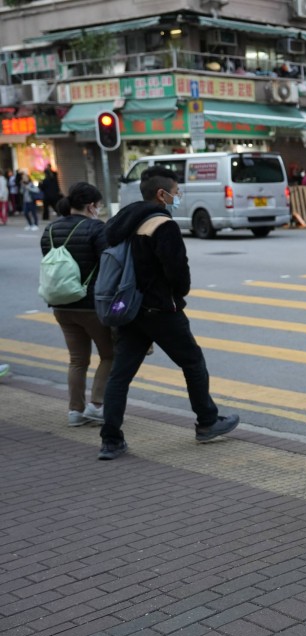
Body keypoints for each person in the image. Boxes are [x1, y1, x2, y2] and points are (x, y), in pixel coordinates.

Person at [98, 166, 239, 461]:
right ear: (161, 195)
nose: (178, 197)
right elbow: (177, 271)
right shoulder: (163, 225)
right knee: (193, 362)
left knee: (120, 375)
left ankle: (110, 440)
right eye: (176, 192)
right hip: (162, 309)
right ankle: (207, 421)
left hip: (130, 309)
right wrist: (178, 292)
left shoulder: (123, 220)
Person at [39, 182, 114, 427]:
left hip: (61, 305)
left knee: (77, 360)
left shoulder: (50, 229)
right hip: (90, 304)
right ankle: (97, 405)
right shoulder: (96, 228)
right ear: (91, 206)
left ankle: (75, 411)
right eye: (99, 205)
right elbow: (108, 265)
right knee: (110, 355)